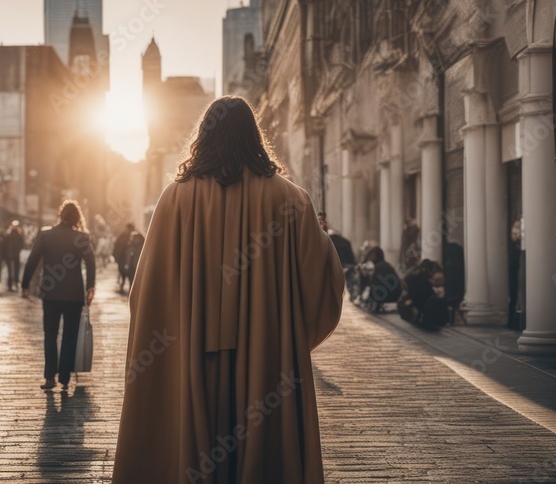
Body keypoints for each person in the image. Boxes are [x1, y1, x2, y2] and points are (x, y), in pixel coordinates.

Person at [113, 96, 345, 483]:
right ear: (255, 137)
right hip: (266, 360)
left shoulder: (174, 199)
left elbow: (148, 290)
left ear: (203, 136)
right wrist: (287, 338)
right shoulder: (290, 200)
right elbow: (325, 280)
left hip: (192, 355)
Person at [21, 200, 96, 391]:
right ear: (77, 218)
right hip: (73, 294)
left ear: (60, 215)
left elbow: (32, 260)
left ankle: (49, 377)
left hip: (51, 293)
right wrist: (90, 288)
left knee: (50, 335)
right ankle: (64, 377)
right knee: (70, 336)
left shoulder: (46, 235)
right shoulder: (82, 238)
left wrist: (25, 284)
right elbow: (91, 264)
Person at [398, 259, 449, 329]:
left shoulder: (418, 277)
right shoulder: (421, 283)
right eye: (437, 280)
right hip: (413, 309)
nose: (440, 283)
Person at [361, 246, 403, 312]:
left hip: (386, 297)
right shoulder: (386, 265)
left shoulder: (379, 267)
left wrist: (368, 300)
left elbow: (375, 286)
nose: (370, 258)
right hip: (395, 296)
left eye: (372, 255)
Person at [113, 223, 135, 293]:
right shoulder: (123, 236)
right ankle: (122, 286)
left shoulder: (135, 236)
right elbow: (117, 246)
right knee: (123, 273)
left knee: (131, 275)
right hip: (123, 258)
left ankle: (130, 288)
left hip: (131, 260)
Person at [5, 220, 25, 292]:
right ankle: (14, 284)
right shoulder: (17, 235)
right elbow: (21, 244)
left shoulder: (9, 235)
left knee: (11, 270)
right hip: (14, 255)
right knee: (15, 270)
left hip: (11, 255)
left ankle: (11, 285)